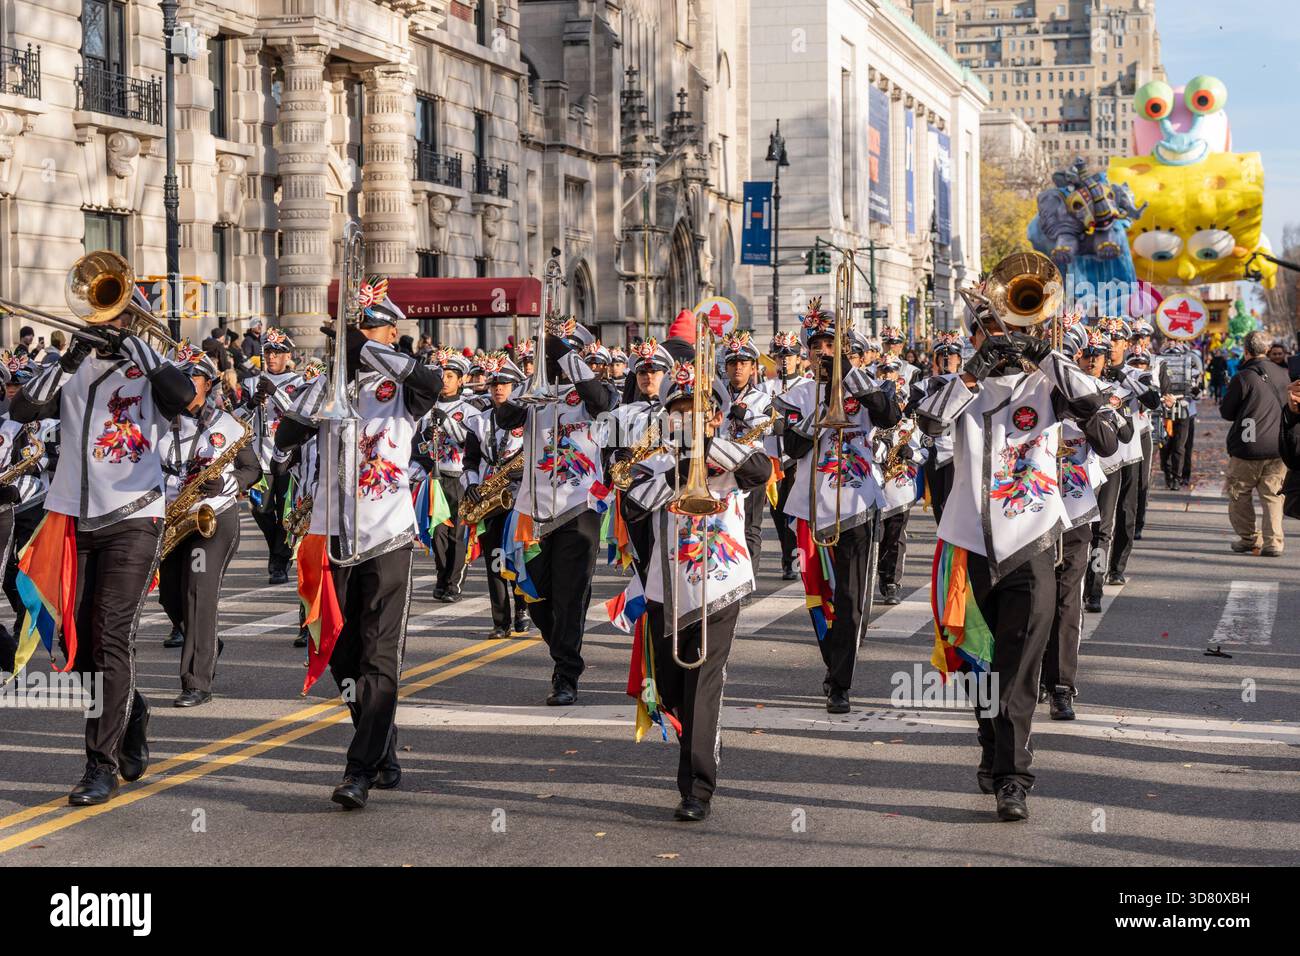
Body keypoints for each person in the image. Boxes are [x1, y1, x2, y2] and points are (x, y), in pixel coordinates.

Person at [916, 279, 1113, 822]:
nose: (1005, 336)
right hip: (967, 545)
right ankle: (991, 744)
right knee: (980, 665)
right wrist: (975, 367)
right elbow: (928, 421)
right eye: (992, 329)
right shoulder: (959, 384)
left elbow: (1106, 430)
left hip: (1033, 542)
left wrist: (1046, 355)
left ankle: (1013, 777)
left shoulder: (1047, 385)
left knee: (1021, 665)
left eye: (1014, 328)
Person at [10, 302, 196, 806]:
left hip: (133, 516)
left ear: (129, 320)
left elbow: (182, 397)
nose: (101, 323)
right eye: (96, 313)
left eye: (112, 315)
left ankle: (100, 765)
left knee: (112, 636)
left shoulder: (148, 368)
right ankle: (131, 713)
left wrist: (139, 350)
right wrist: (68, 361)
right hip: (72, 516)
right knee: (81, 643)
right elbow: (22, 410)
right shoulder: (70, 370)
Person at [275, 285, 441, 810]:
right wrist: (334, 371)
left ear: (392, 333)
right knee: (343, 656)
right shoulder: (332, 384)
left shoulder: (405, 387)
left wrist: (364, 348)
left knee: (378, 654)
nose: (362, 337)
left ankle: (359, 769)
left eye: (373, 328)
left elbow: (429, 382)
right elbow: (286, 434)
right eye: (357, 329)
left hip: (387, 535)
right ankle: (381, 747)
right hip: (332, 535)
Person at [621, 356, 771, 822]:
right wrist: (677, 468)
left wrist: (711, 445)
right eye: (679, 412)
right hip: (666, 593)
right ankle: (693, 745)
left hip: (718, 588)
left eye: (696, 411)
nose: (687, 419)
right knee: (671, 690)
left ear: (715, 415)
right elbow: (631, 505)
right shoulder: (654, 462)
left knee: (703, 685)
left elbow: (761, 472)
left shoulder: (731, 455)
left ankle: (696, 789)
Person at [773, 297, 900, 715]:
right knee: (818, 593)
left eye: (832, 346)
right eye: (817, 347)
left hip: (859, 501)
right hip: (811, 503)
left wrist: (853, 377)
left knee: (850, 598)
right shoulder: (797, 394)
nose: (823, 353)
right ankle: (834, 662)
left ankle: (840, 681)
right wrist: (815, 419)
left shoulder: (866, 385)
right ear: (807, 353)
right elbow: (785, 446)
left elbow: (889, 417)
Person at [492, 316, 614, 706]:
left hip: (580, 507)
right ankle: (560, 651)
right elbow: (504, 416)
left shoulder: (596, 390)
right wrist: (528, 383)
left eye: (557, 353)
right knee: (537, 597)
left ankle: (566, 673)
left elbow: (600, 402)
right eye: (548, 354)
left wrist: (567, 360)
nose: (550, 361)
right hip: (533, 510)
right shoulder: (534, 390)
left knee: (570, 596)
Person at [157, 345, 260, 707]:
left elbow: (252, 469)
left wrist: (227, 485)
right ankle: (204, 639)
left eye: (193, 377)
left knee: (198, 592)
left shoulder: (228, 425)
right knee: (169, 594)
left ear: (208, 383)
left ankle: (196, 682)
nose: (185, 383)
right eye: (180, 377)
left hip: (212, 518)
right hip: (172, 518)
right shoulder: (157, 421)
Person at [1042, 327, 1124, 717]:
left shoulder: (1090, 394)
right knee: (1029, 598)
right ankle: (1029, 678)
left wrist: (1087, 408)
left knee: (1066, 597)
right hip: (1031, 511)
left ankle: (1061, 685)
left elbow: (1110, 443)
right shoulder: (1026, 393)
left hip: (1074, 509)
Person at [462, 351, 530, 639]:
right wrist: (472, 484)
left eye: (504, 383)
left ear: (515, 387)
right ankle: (500, 621)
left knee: (519, 555)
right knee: (495, 559)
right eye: (493, 383)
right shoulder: (478, 421)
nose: (498, 388)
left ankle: (523, 608)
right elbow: (469, 460)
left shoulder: (528, 418)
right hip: (490, 496)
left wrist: (520, 473)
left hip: (519, 495)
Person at [240, 328, 304, 586]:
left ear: (287, 355)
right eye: (268, 352)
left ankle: (279, 562)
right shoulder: (250, 383)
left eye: (277, 353)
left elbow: (297, 415)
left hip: (289, 459)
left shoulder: (300, 383)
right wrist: (251, 404)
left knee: (286, 511)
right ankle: (278, 550)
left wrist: (275, 393)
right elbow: (235, 418)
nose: (271, 358)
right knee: (261, 509)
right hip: (261, 457)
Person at [1220, 330, 1291, 557]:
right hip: (1278, 446)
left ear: (1246, 350)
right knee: (1273, 495)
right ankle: (1274, 542)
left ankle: (1249, 538)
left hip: (1247, 446)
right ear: (1268, 350)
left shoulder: (1243, 377)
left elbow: (1227, 412)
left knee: (1238, 493)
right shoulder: (1284, 374)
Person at [417, 348, 475, 602]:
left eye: (450, 375)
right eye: (442, 374)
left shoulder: (469, 409)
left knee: (457, 533)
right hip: (435, 478)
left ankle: (453, 583)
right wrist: (425, 440)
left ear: (461, 380)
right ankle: (441, 577)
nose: (445, 379)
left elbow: (469, 441)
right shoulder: (426, 407)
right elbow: (417, 445)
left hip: (458, 478)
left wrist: (447, 423)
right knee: (437, 531)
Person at [718, 331, 773, 577]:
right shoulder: (716, 397)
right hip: (719, 468)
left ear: (753, 368)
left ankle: (748, 578)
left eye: (743, 363)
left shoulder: (762, 398)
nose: (737, 368)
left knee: (750, 527)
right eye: (732, 363)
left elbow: (777, 426)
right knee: (722, 524)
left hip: (749, 467)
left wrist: (748, 416)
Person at [757, 331, 809, 580]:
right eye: (780, 356)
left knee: (798, 509)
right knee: (778, 511)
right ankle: (787, 556)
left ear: (799, 358)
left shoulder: (808, 386)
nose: (785, 360)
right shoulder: (765, 387)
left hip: (799, 457)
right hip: (773, 456)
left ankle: (800, 556)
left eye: (790, 356)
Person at [1157, 339, 1203, 490]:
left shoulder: (1191, 360)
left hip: (1184, 410)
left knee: (1180, 447)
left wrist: (1195, 390)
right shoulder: (1158, 360)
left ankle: (1179, 477)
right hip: (1165, 412)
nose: (1172, 343)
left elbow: (1197, 389)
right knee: (1165, 445)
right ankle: (1168, 475)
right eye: (1169, 340)